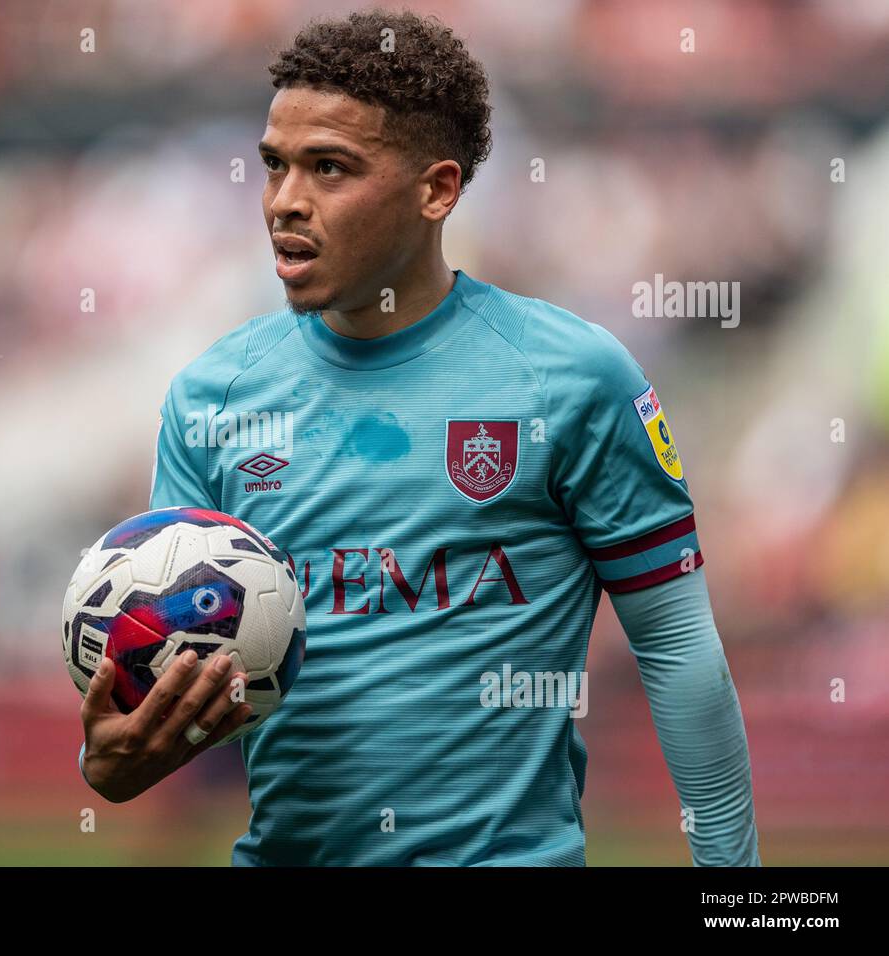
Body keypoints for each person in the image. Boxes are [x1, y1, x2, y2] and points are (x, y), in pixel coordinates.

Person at [78, 9, 760, 866]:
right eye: (275, 165)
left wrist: (737, 887)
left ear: (437, 190)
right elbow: (177, 657)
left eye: (330, 168)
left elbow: (675, 642)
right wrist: (113, 758)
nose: (286, 201)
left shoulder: (573, 379)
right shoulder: (212, 399)